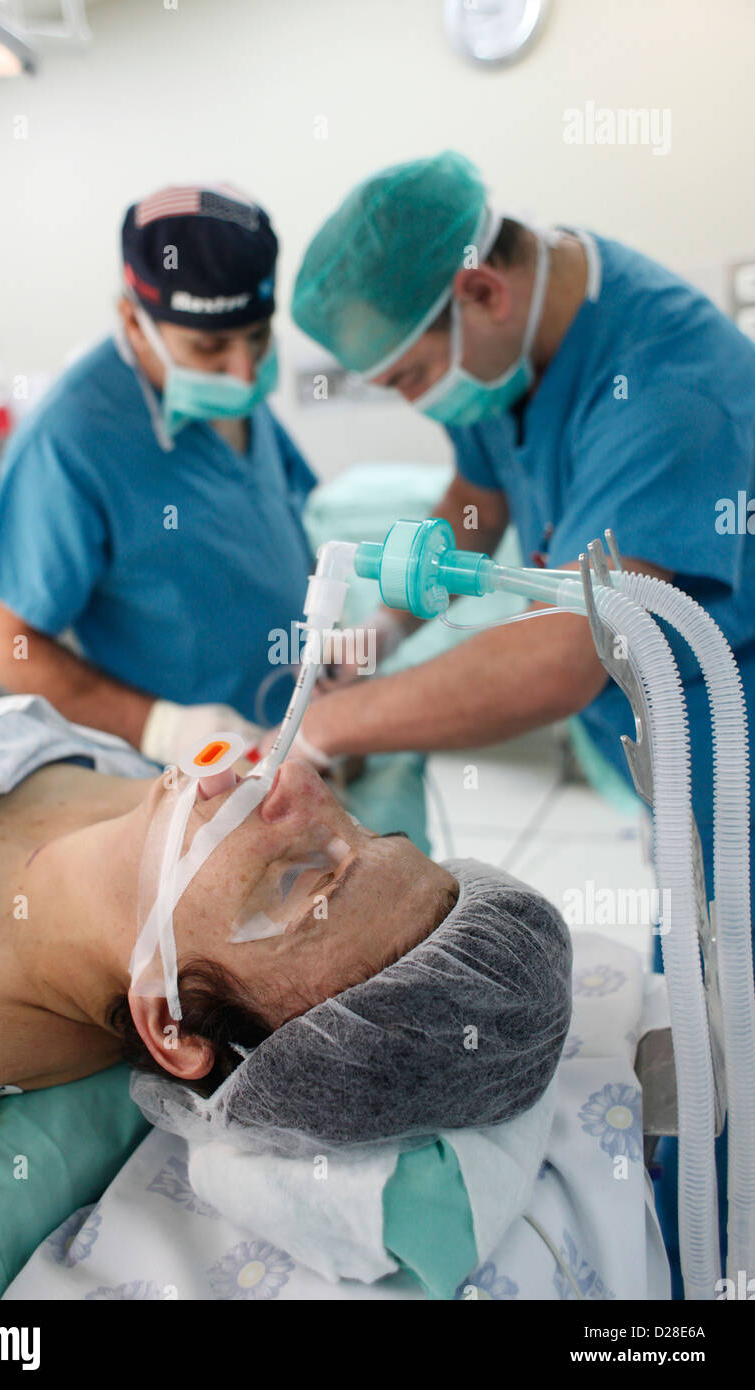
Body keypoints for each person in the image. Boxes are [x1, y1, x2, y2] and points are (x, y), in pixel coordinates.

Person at [289, 149, 755, 1292]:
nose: (408, 402)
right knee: (686, 1037)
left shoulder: (670, 385)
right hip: (671, 780)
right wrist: (380, 632)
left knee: (719, 1054)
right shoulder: (527, 336)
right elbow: (476, 493)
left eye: (405, 379)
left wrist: (329, 733)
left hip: (732, 763)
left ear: (479, 294)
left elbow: (562, 654)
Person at [0, 695, 570, 1157]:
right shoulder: (145, 803)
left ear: (171, 1026)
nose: (300, 784)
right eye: (358, 827)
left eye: (299, 878)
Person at [0, 184, 317, 767]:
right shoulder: (72, 436)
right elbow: (8, 646)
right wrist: (164, 728)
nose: (244, 372)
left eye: (258, 336)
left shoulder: (232, 389)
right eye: (210, 346)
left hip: (301, 727)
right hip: (198, 770)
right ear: (133, 320)